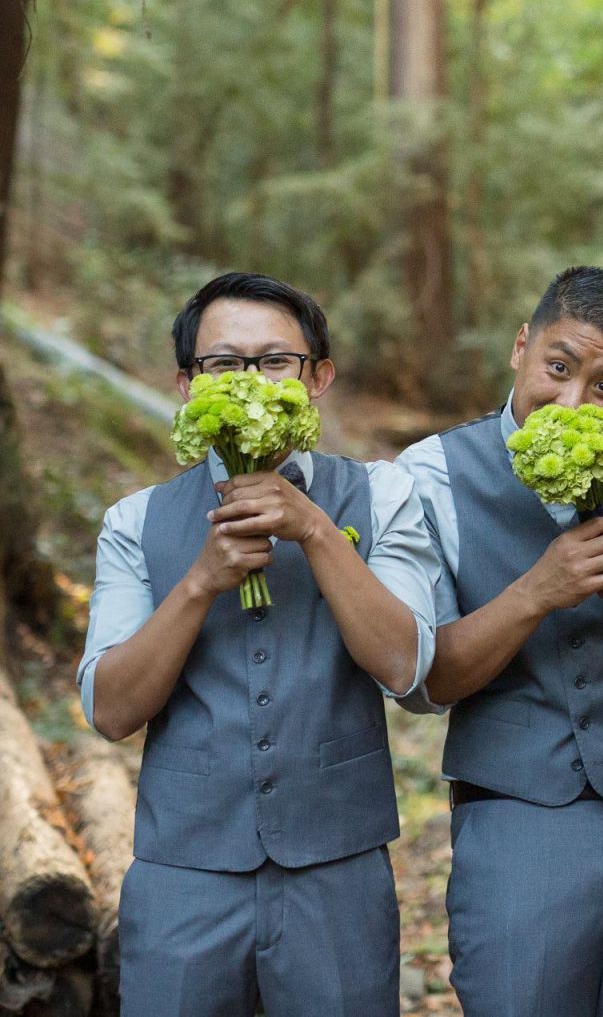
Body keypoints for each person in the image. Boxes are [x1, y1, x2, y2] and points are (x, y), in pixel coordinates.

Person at [79, 272, 439, 1016]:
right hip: (184, 870)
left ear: (319, 378)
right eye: (223, 364)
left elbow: (407, 668)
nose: (251, 381)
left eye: (277, 361)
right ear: (186, 385)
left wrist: (312, 528)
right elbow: (111, 712)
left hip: (337, 868)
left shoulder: (383, 495)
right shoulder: (135, 521)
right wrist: (199, 583)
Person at [396, 265, 603, 1016]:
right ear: (522, 346)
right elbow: (423, 683)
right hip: (512, 821)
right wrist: (535, 592)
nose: (574, 398)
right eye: (558, 367)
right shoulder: (429, 475)